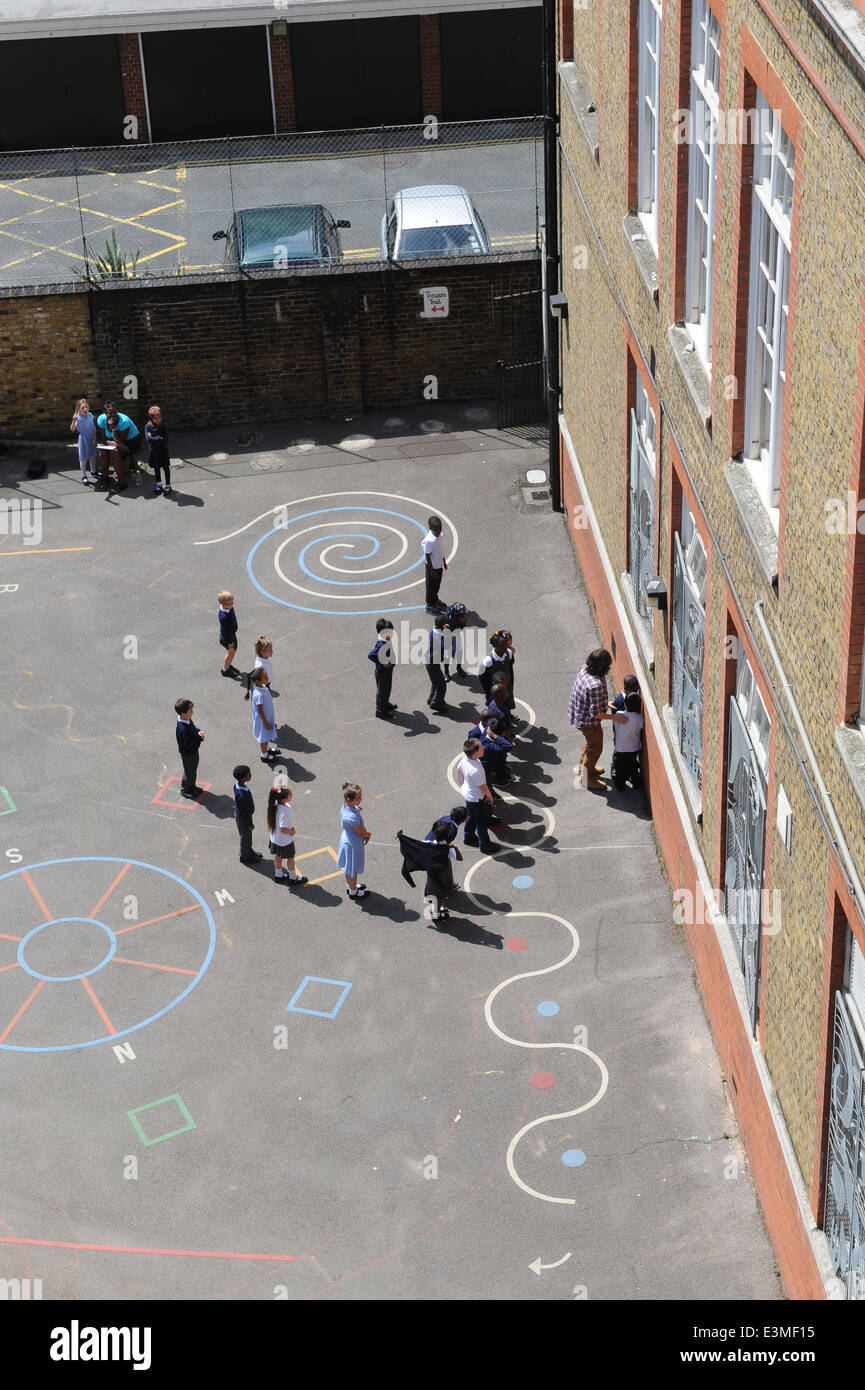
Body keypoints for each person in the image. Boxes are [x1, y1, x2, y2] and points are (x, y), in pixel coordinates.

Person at [568, 648, 617, 788]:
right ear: (602, 667)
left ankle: (583, 767)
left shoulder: (585, 669)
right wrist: (616, 718)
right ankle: (586, 778)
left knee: (590, 744)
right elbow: (596, 713)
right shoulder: (595, 685)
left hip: (578, 714)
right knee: (596, 748)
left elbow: (589, 698)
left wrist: (604, 703)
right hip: (588, 722)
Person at [457, 738, 497, 854]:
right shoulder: (475, 770)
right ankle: (485, 845)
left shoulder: (465, 759)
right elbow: (483, 787)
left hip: (469, 795)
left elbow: (459, 771)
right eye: (481, 747)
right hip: (477, 798)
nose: (483, 748)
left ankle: (468, 837)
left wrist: (463, 785)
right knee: (481, 822)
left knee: (471, 816)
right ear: (475, 753)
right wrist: (490, 797)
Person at [95, 401, 140, 492]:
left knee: (115, 453)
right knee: (102, 452)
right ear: (105, 414)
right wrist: (117, 445)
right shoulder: (101, 419)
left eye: (115, 413)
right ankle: (105, 478)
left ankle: (121, 483)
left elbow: (120, 440)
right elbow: (103, 439)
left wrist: (113, 428)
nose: (113, 416)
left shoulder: (124, 421)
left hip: (131, 441)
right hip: (113, 442)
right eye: (110, 414)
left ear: (117, 411)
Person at [266, 785, 307, 885]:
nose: (291, 795)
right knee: (290, 858)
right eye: (290, 794)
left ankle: (278, 875)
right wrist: (291, 832)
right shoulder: (283, 812)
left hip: (275, 838)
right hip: (284, 840)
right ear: (284, 799)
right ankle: (293, 877)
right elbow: (283, 828)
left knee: (278, 856)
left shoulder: (275, 806)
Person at [338, 783, 371, 899]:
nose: (361, 799)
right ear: (349, 799)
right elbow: (360, 832)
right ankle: (353, 892)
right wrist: (368, 834)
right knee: (353, 870)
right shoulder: (350, 817)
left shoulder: (347, 806)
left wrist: (356, 807)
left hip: (347, 839)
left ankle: (350, 886)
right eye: (358, 798)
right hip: (352, 844)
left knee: (349, 867)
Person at [610, 691, 645, 790]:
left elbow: (615, 728)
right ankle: (636, 783)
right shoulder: (640, 718)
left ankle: (620, 786)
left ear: (625, 705)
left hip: (620, 747)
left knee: (619, 768)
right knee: (632, 766)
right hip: (634, 748)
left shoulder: (618, 714)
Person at [245, 666, 278, 764]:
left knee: (266, 736)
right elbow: (260, 711)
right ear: (258, 681)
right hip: (263, 721)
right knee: (263, 738)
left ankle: (267, 749)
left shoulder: (262, 687)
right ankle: (264, 755)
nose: (268, 678)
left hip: (267, 717)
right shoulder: (258, 695)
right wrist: (266, 723)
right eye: (265, 677)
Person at [175, 698, 205, 799]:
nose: (192, 712)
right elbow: (187, 744)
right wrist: (199, 738)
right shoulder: (182, 729)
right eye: (190, 711)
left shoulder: (187, 720)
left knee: (193, 770)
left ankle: (192, 786)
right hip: (188, 753)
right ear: (183, 714)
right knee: (189, 771)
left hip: (193, 751)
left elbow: (193, 728)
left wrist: (198, 731)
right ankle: (185, 789)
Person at [368, 618, 397, 720]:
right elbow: (371, 655)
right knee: (382, 691)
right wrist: (385, 663)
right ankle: (381, 711)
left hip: (386, 672)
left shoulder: (385, 639)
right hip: (383, 672)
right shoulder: (382, 645)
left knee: (386, 689)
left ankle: (385, 703)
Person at [232, 765, 262, 864]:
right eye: (249, 774)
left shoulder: (238, 785)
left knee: (248, 837)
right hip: (244, 819)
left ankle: (249, 851)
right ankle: (245, 856)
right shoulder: (241, 796)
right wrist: (250, 824)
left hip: (243, 815)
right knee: (245, 837)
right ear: (243, 778)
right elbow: (244, 813)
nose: (251, 775)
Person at [480, 630, 515, 706]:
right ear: (496, 646)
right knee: (497, 705)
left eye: (506, 644)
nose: (506, 647)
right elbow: (482, 677)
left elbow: (510, 667)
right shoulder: (488, 661)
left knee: (507, 702)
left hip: (506, 685)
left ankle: (508, 715)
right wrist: (487, 692)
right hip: (495, 689)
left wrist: (510, 683)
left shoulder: (509, 653)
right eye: (502, 645)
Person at [422, 515, 447, 614]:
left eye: (440, 527)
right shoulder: (429, 540)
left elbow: (441, 550)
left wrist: (444, 562)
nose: (439, 530)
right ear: (430, 528)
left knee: (437, 585)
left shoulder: (440, 535)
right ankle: (429, 605)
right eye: (436, 528)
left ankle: (435, 600)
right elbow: (427, 555)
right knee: (430, 587)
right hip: (432, 568)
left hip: (439, 565)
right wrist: (431, 571)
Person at [70, 398, 98, 485]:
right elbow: (72, 429)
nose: (85, 409)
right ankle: (84, 476)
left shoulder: (90, 415)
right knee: (83, 458)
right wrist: (74, 420)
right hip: (84, 440)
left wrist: (94, 438)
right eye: (82, 408)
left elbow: (93, 427)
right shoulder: (77, 418)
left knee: (93, 456)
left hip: (91, 438)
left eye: (86, 407)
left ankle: (93, 472)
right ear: (78, 409)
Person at [145, 405, 172, 496]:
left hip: (163, 451)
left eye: (159, 417)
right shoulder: (148, 426)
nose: (158, 420)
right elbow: (148, 439)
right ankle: (159, 485)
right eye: (156, 418)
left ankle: (168, 485)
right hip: (154, 451)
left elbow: (165, 440)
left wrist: (153, 437)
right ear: (151, 418)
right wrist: (158, 438)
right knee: (156, 468)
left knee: (166, 468)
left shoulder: (164, 425)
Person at [425, 615, 450, 712]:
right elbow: (446, 644)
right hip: (433, 664)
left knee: (435, 682)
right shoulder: (438, 636)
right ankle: (436, 704)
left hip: (430, 662)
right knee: (441, 685)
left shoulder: (434, 631)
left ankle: (431, 699)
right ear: (443, 626)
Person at [443, 602, 468, 680]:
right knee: (447, 654)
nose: (466, 618)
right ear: (458, 616)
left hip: (456, 633)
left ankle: (459, 668)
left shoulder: (463, 614)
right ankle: (446, 672)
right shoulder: (448, 620)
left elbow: (462, 626)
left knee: (459, 652)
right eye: (464, 617)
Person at [218, 590, 239, 679]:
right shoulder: (224, 617)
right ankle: (225, 669)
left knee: (233, 651)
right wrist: (230, 642)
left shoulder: (228, 608)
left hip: (231, 635)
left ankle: (228, 665)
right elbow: (226, 631)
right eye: (230, 603)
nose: (232, 605)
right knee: (231, 652)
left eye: (232, 602)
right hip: (227, 638)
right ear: (223, 604)